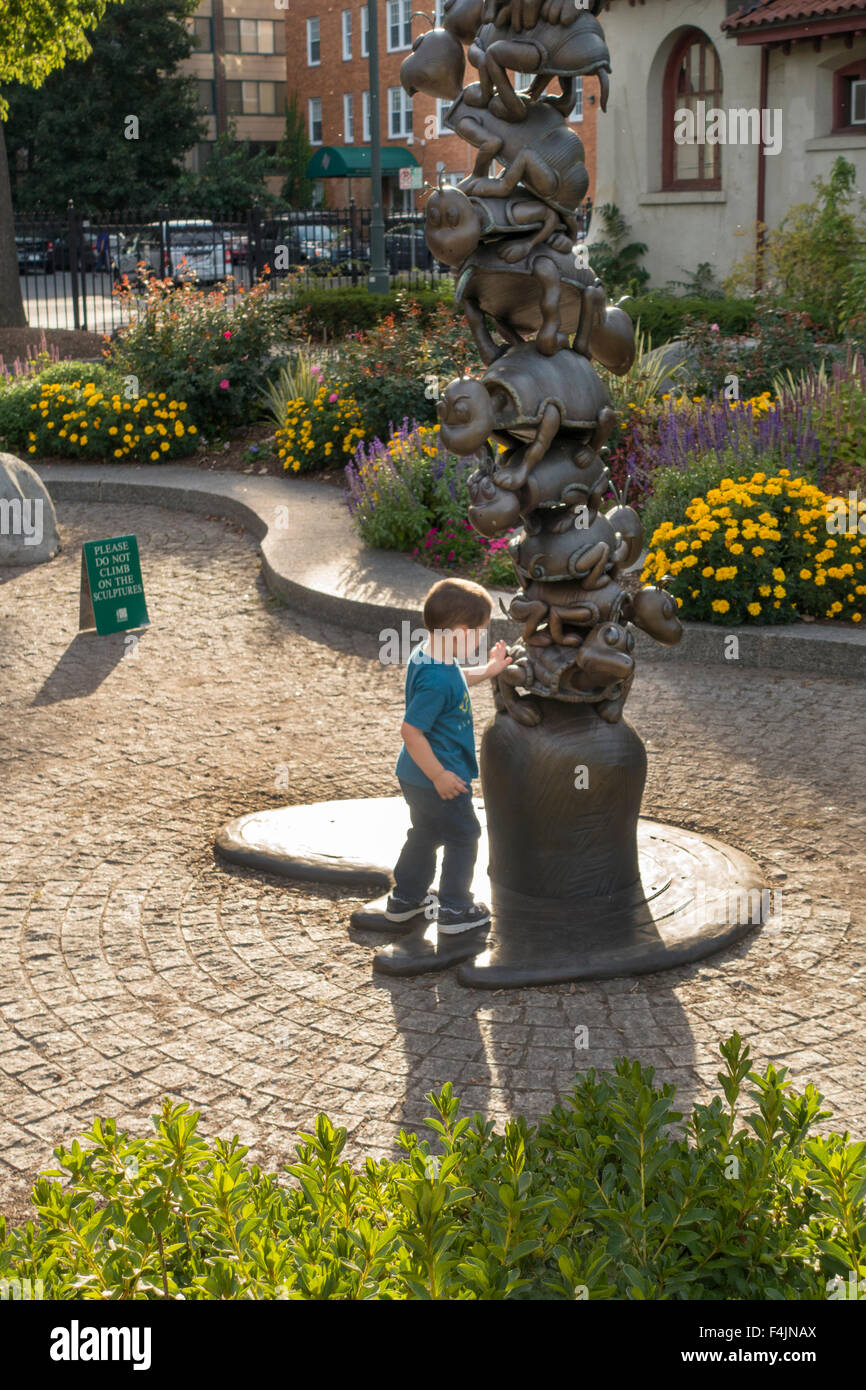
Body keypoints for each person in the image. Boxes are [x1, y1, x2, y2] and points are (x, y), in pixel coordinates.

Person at [386, 577, 512, 933]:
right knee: (463, 836)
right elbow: (411, 731)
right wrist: (439, 775)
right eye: (479, 632)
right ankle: (456, 909)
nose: (481, 639)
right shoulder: (436, 679)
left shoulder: (429, 655)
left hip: (414, 776)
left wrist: (487, 671)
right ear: (459, 631)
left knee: (425, 834)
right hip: (439, 777)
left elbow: (455, 678)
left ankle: (405, 900)